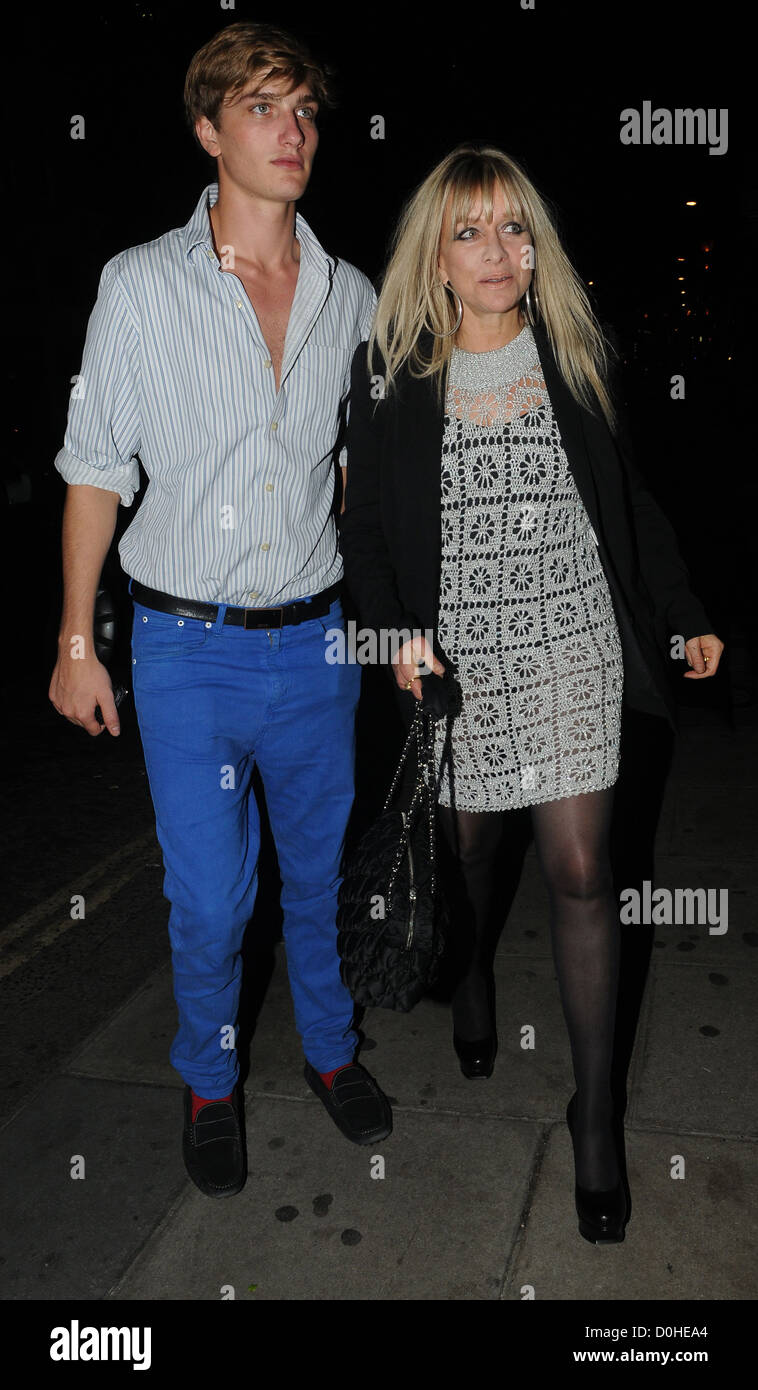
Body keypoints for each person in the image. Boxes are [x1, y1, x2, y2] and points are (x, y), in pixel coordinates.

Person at [340, 143, 724, 1244]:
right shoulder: (390, 371)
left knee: (578, 865)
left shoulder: (575, 350)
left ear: (534, 244)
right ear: (436, 254)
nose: (496, 250)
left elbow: (627, 497)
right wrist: (393, 634)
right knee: (463, 852)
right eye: (468, 231)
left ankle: (593, 1117)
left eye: (513, 227)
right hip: (459, 656)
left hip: (569, 638)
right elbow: (363, 534)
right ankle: (467, 985)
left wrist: (682, 609)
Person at [48, 21, 392, 1200]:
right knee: (208, 899)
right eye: (262, 109)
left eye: (303, 110)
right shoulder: (140, 285)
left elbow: (356, 478)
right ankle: (209, 1076)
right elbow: (95, 464)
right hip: (184, 649)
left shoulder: (351, 294)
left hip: (316, 644)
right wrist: (73, 639)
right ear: (207, 131)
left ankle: (332, 1050)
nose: (292, 132)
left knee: (316, 872)